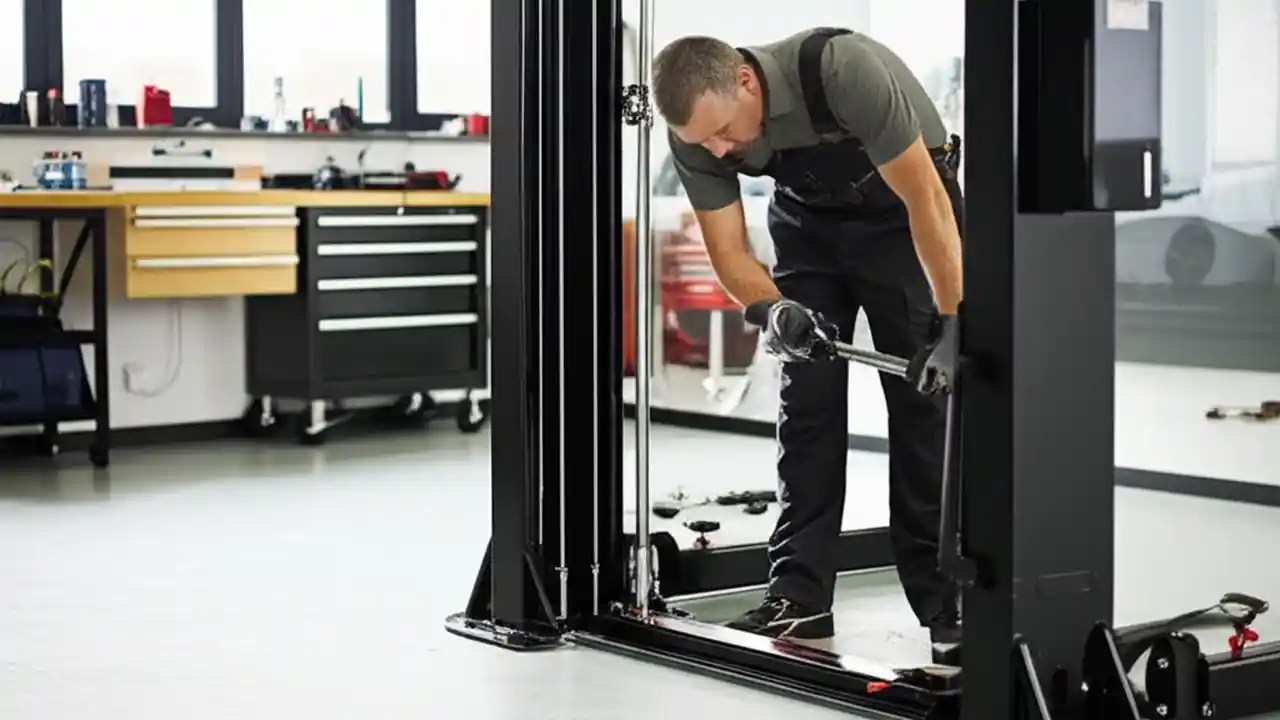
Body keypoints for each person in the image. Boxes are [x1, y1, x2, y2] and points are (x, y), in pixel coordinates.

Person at [651, 27, 965, 663]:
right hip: (808, 222)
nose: (718, 150)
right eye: (701, 142)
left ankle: (947, 602)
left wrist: (957, 322)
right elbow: (731, 253)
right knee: (807, 404)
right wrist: (774, 310)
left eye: (724, 132)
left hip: (904, 218)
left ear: (745, 79)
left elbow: (926, 201)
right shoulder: (697, 134)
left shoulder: (840, 70)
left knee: (924, 409)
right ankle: (799, 598)